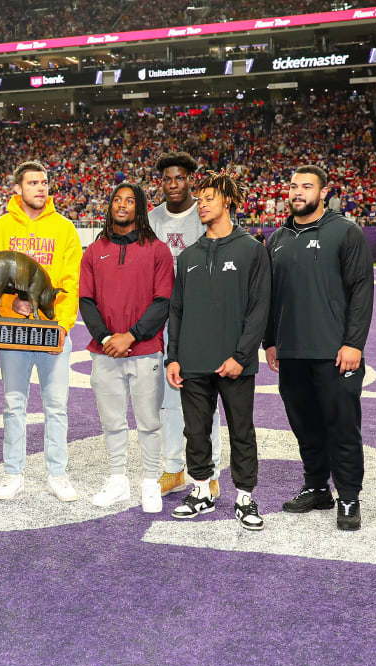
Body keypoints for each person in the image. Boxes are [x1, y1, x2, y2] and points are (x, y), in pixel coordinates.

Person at [264, 165, 374, 531]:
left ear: (323, 193)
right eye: (293, 186)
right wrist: (270, 341)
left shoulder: (346, 232)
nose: (298, 192)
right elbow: (269, 296)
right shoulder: (277, 238)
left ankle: (349, 497)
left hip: (334, 352)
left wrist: (353, 343)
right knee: (305, 426)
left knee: (342, 427)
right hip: (291, 351)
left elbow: (361, 290)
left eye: (307, 186)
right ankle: (316, 488)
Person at [165, 173, 270, 530]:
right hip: (192, 361)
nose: (202, 204)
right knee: (195, 432)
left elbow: (259, 308)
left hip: (235, 363)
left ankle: (245, 497)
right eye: (200, 199)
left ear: (228, 200)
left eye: (210, 197)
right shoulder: (189, 255)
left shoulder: (252, 249)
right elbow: (176, 310)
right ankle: (201, 491)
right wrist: (173, 357)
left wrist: (241, 356)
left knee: (242, 431)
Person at [0, 160, 83, 502]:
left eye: (44, 183)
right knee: (14, 404)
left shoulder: (64, 228)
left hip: (52, 330)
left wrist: (62, 326)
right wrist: (11, 304)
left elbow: (71, 281)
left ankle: (58, 473)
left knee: (56, 406)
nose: (41, 188)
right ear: (17, 188)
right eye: (33, 183)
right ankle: (13, 473)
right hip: (14, 330)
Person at [79, 182, 173, 509]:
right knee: (112, 421)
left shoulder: (158, 250)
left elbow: (163, 302)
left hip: (145, 349)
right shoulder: (94, 250)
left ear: (139, 207)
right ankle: (117, 479)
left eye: (129, 200)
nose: (122, 205)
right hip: (105, 351)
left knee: (149, 422)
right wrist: (107, 338)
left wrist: (131, 336)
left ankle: (150, 482)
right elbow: (86, 300)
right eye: (117, 200)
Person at [147, 152, 221, 507]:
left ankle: (211, 471)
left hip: (200, 319)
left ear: (191, 179)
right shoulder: (152, 219)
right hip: (163, 320)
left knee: (206, 399)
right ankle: (174, 468)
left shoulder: (204, 213)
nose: (173, 184)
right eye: (167, 179)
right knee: (167, 400)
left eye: (179, 177)